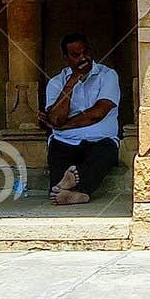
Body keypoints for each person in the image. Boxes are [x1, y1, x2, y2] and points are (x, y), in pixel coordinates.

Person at [38, 32, 121, 205]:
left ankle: (80, 191)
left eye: (86, 52)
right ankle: (76, 192)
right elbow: (56, 119)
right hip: (64, 142)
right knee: (57, 168)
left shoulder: (108, 75)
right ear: (66, 58)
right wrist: (72, 81)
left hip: (100, 139)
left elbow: (98, 113)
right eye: (76, 55)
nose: (83, 58)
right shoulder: (56, 82)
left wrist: (64, 126)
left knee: (104, 155)